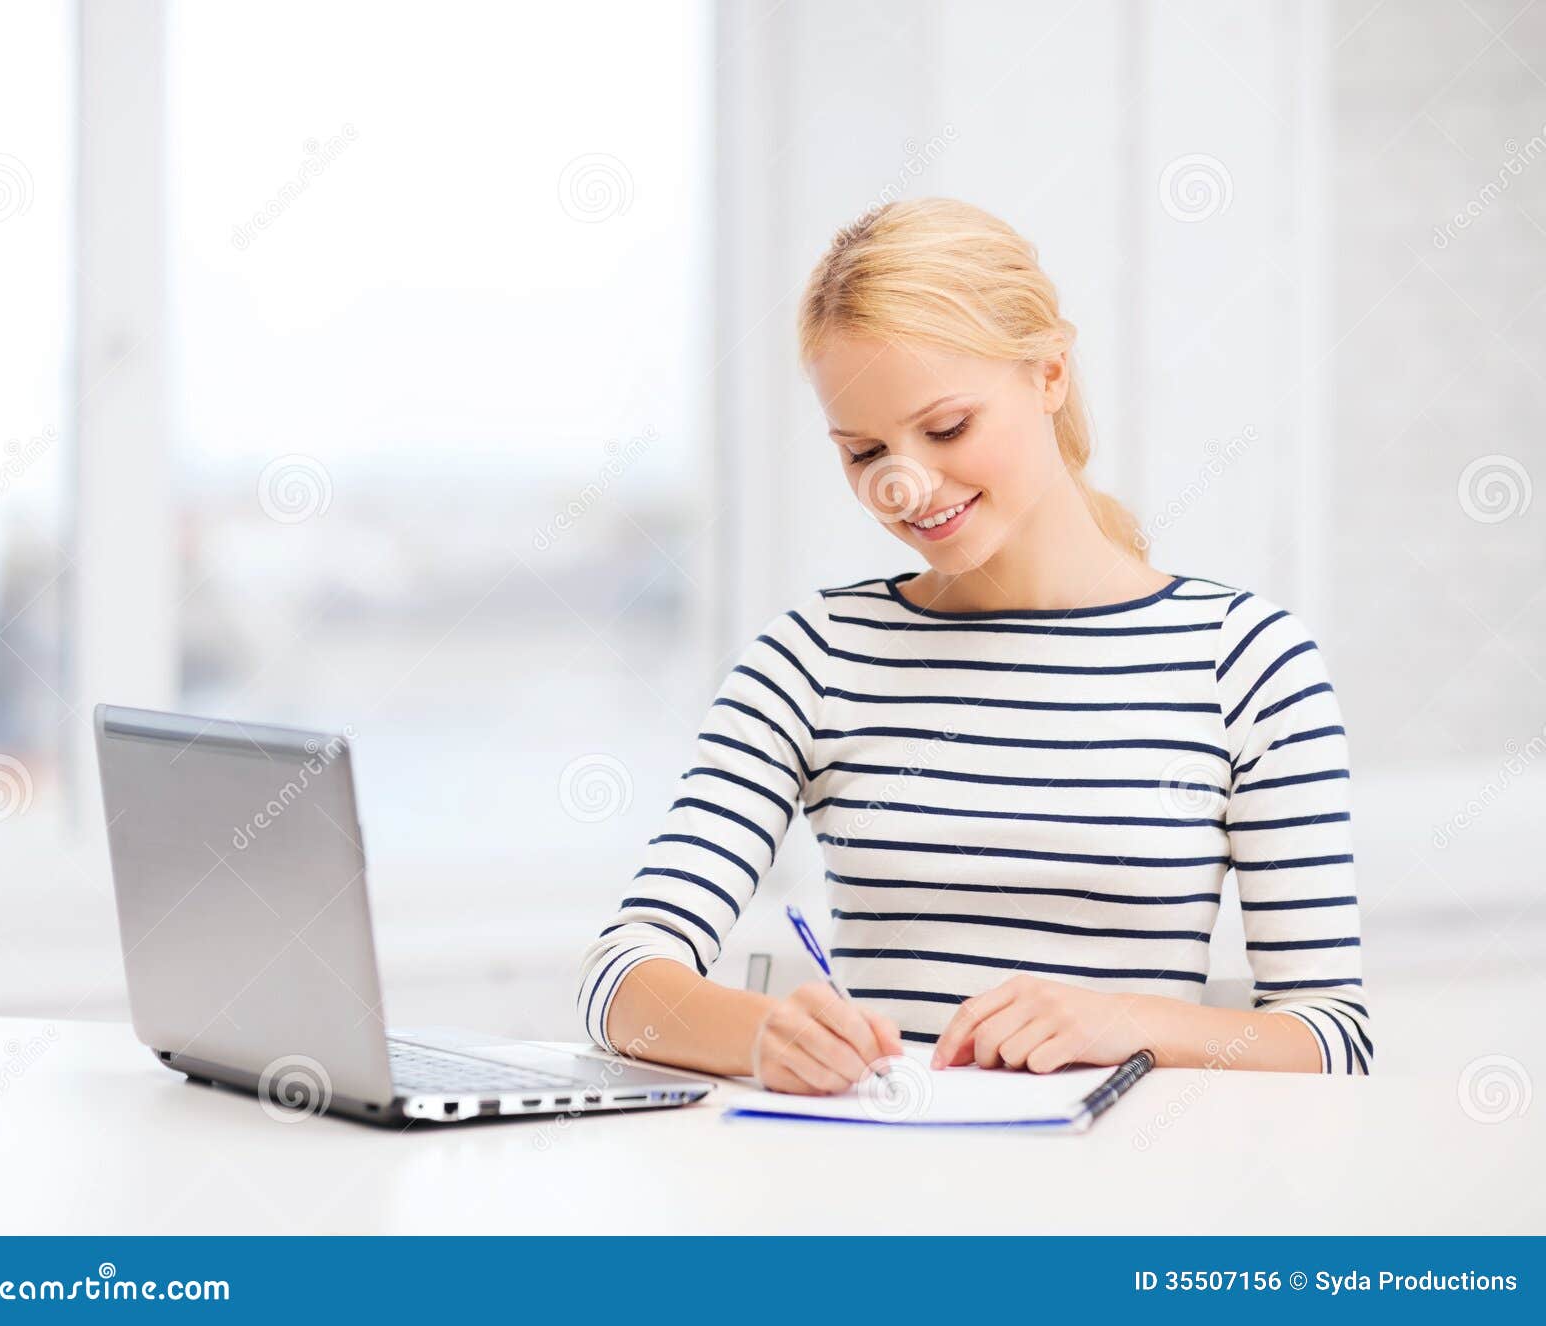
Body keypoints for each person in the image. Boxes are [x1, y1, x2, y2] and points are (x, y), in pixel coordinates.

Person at [577, 197, 1370, 1094]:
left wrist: (1129, 1021)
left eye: (947, 428)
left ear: (1050, 374)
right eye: (863, 450)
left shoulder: (1247, 662)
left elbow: (1334, 1037)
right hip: (880, 1201)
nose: (904, 485)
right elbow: (619, 981)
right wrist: (764, 1035)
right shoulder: (813, 658)